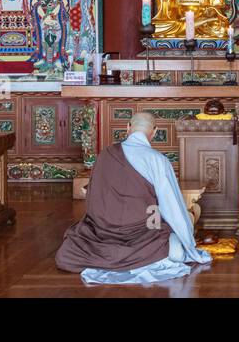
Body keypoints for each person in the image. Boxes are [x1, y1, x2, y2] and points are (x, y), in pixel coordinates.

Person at [56, 112, 212, 285]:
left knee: (67, 253)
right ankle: (140, 257)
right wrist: (189, 244)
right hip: (146, 236)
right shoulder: (157, 160)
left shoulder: (105, 155)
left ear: (128, 127)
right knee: (177, 251)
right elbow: (172, 208)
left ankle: (107, 256)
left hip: (103, 236)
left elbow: (93, 199)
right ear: (155, 131)